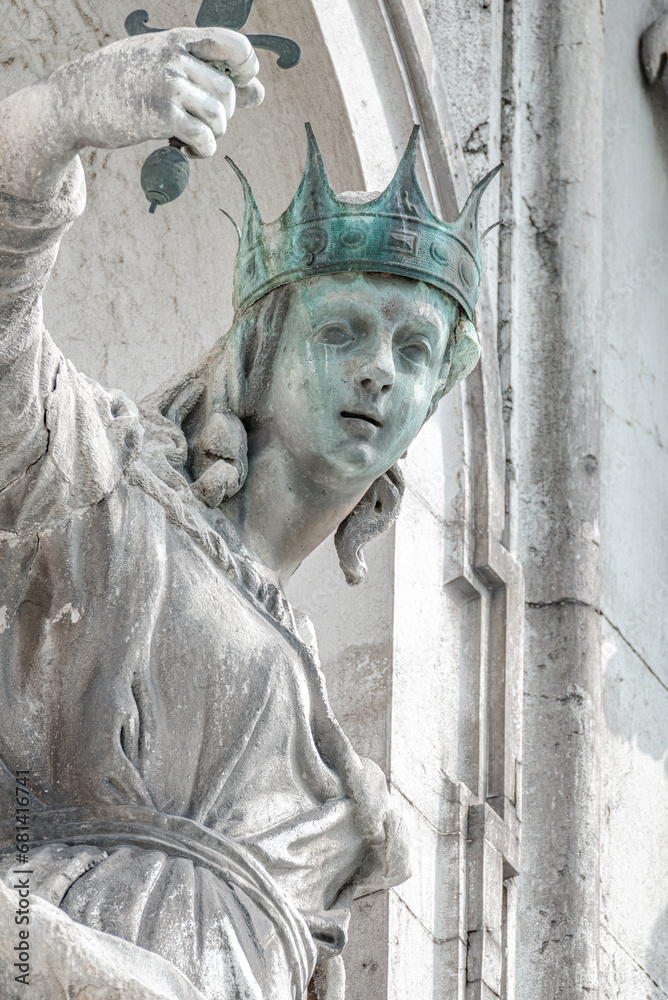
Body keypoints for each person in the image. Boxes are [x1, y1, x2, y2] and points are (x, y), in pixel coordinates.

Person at [0, 24, 495, 1000]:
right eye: (342, 329)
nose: (375, 373)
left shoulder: (321, 721)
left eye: (413, 353)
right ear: (256, 355)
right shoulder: (111, 491)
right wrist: (58, 121)